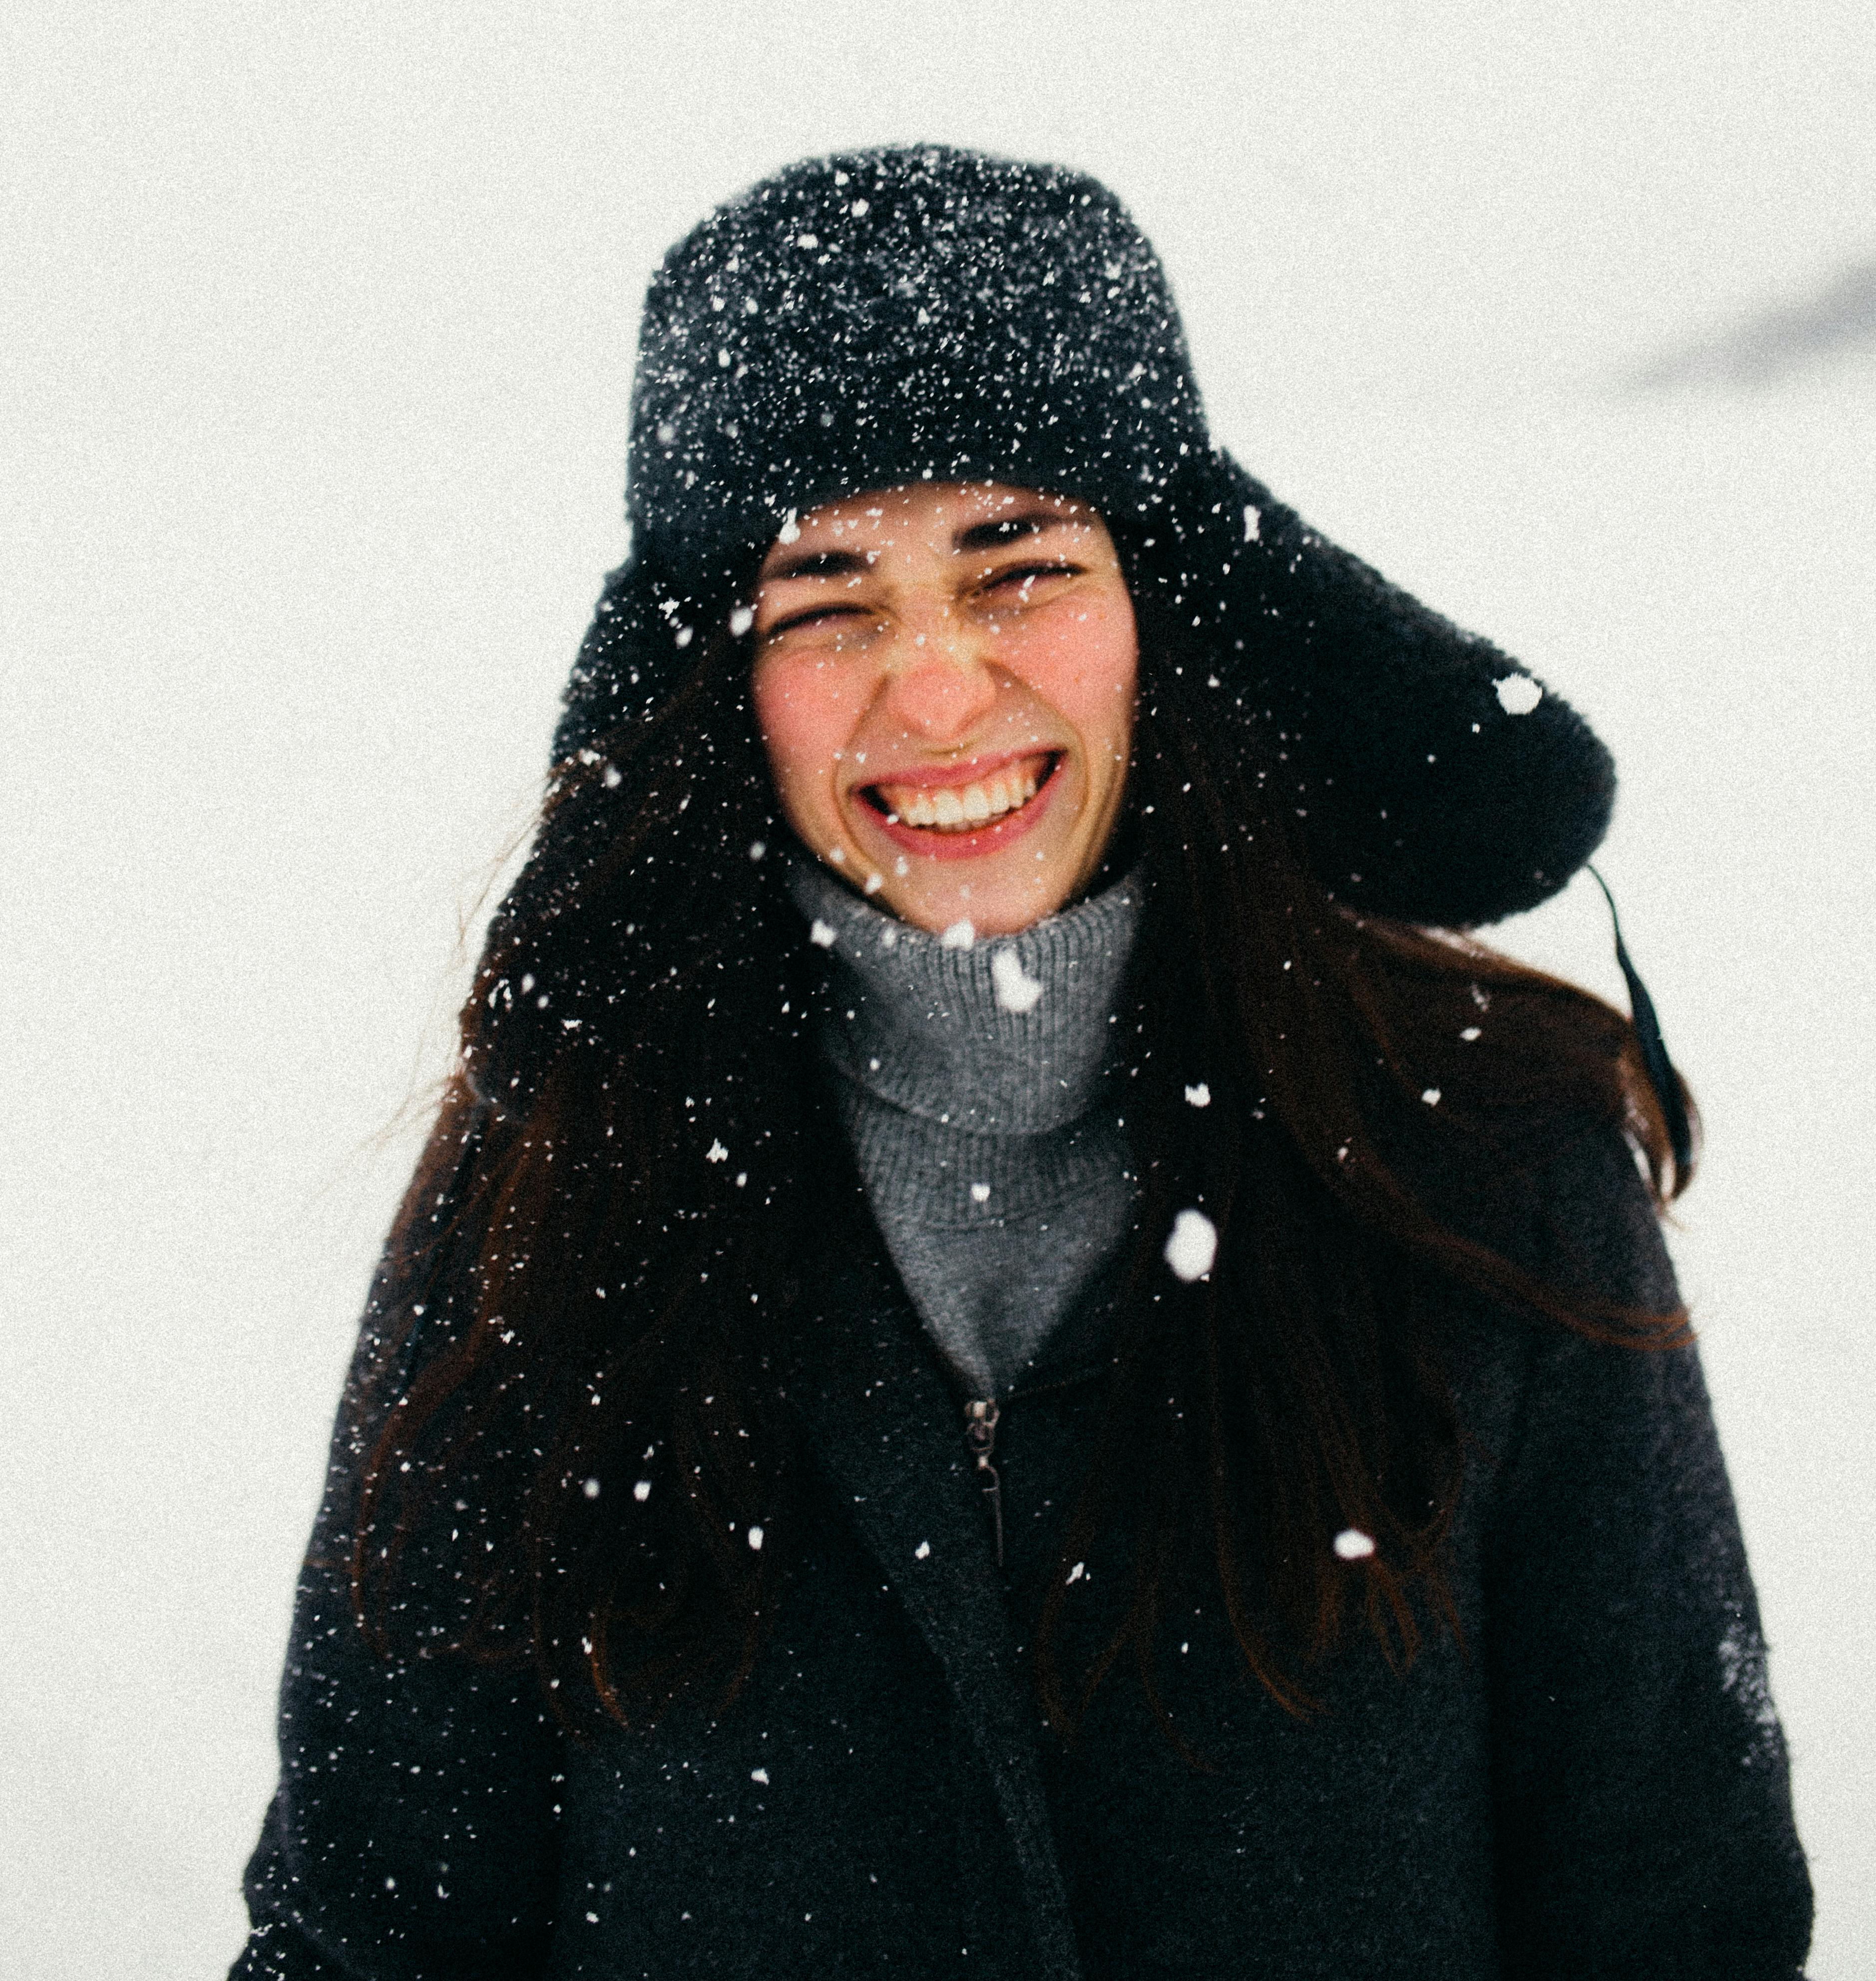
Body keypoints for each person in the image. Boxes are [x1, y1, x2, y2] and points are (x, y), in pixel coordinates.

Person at [233, 146, 1812, 1980]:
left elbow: (1674, 1902)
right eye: (827, 596)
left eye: (1019, 565)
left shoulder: (1490, 1141)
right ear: (714, 671)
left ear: (1167, 595)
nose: (936, 686)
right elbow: (370, 1925)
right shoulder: (563, 1178)